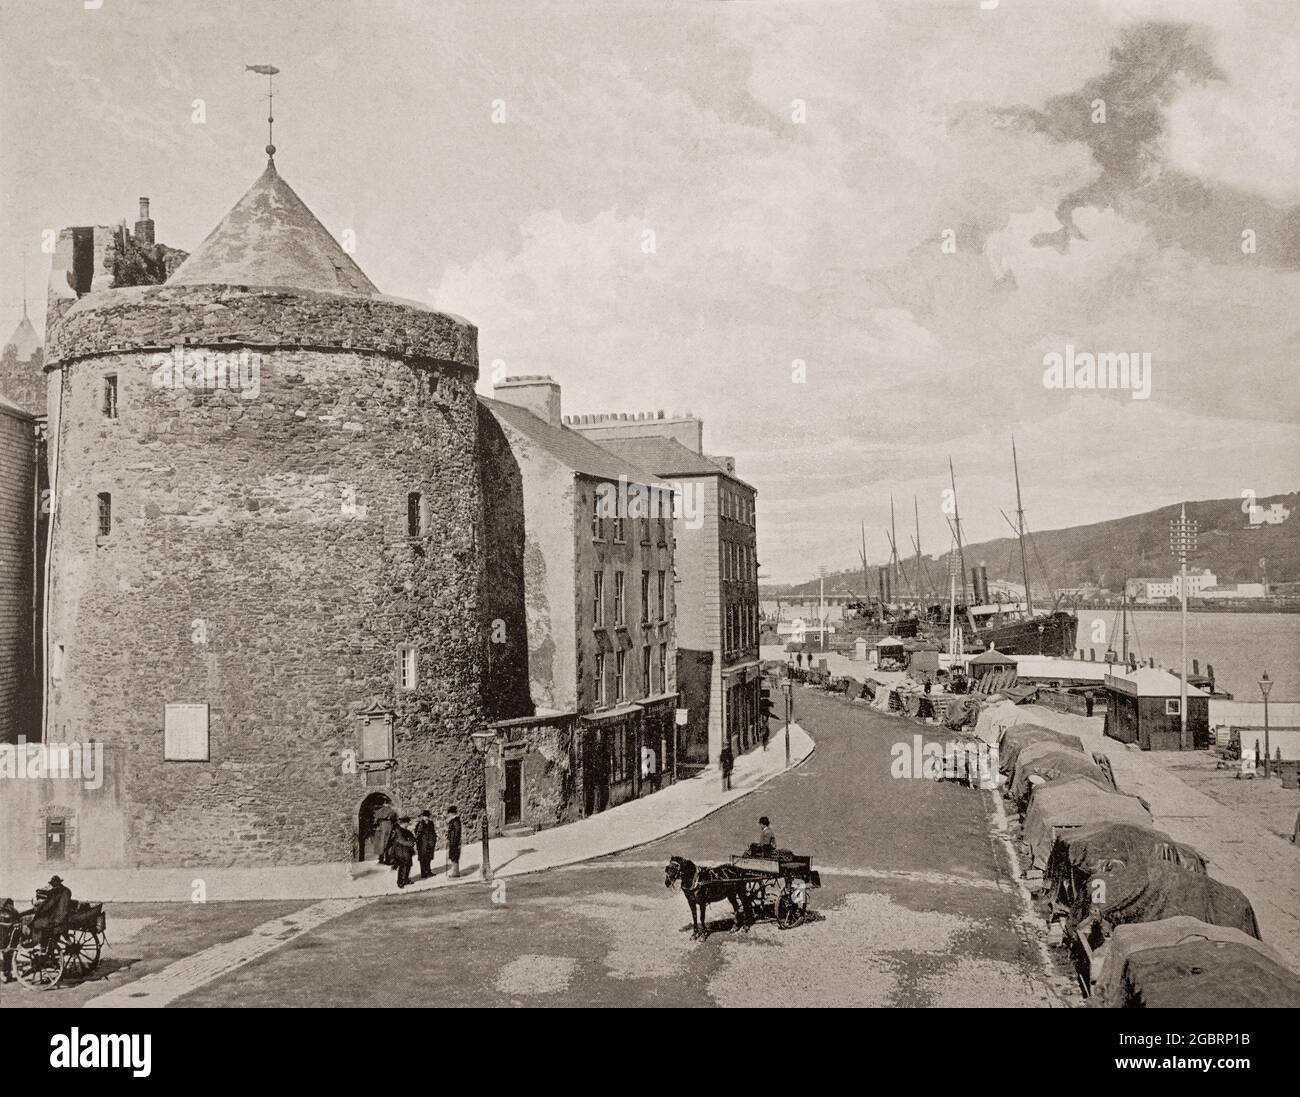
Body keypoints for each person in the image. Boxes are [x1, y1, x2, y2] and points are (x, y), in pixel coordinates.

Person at [28, 875, 72, 953]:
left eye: (53, 883)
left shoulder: (57, 891)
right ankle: (46, 945)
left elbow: (49, 904)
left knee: (36, 922)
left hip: (57, 917)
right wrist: (41, 891)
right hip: (63, 916)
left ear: (56, 883)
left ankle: (39, 944)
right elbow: (49, 893)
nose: (52, 885)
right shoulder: (65, 890)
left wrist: (40, 910)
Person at [391, 817, 416, 888]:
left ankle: (406, 879)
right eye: (407, 823)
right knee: (402, 865)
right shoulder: (398, 830)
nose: (407, 824)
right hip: (400, 850)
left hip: (406, 850)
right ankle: (400, 882)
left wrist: (412, 840)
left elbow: (411, 837)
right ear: (404, 823)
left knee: (408, 864)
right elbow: (401, 840)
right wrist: (409, 843)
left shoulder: (405, 830)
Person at [414, 810, 438, 880]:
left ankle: (429, 871)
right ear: (423, 817)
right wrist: (418, 844)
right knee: (422, 859)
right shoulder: (420, 824)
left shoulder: (431, 823)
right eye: (425, 816)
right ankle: (423, 873)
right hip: (422, 844)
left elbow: (433, 832)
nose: (426, 818)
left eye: (427, 816)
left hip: (430, 843)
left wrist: (434, 839)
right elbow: (417, 834)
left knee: (429, 858)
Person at [0, 898, 19, 983]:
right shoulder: (13, 911)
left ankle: (6, 974)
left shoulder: (7, 912)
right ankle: (5, 974)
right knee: (6, 954)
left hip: (6, 935)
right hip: (6, 935)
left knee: (6, 954)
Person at [372, 800, 396, 865]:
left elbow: (375, 821)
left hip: (382, 829)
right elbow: (394, 820)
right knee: (387, 843)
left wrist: (376, 824)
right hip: (388, 828)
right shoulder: (391, 811)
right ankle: (387, 859)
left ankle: (381, 859)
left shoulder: (379, 811)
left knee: (382, 844)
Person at [445, 805, 463, 878]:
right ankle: (455, 871)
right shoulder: (454, 821)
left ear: (452, 813)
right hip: (453, 841)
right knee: (453, 855)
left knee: (454, 856)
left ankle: (456, 872)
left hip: (455, 842)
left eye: (449, 813)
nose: (448, 815)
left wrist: (454, 841)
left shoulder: (455, 821)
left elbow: (457, 832)